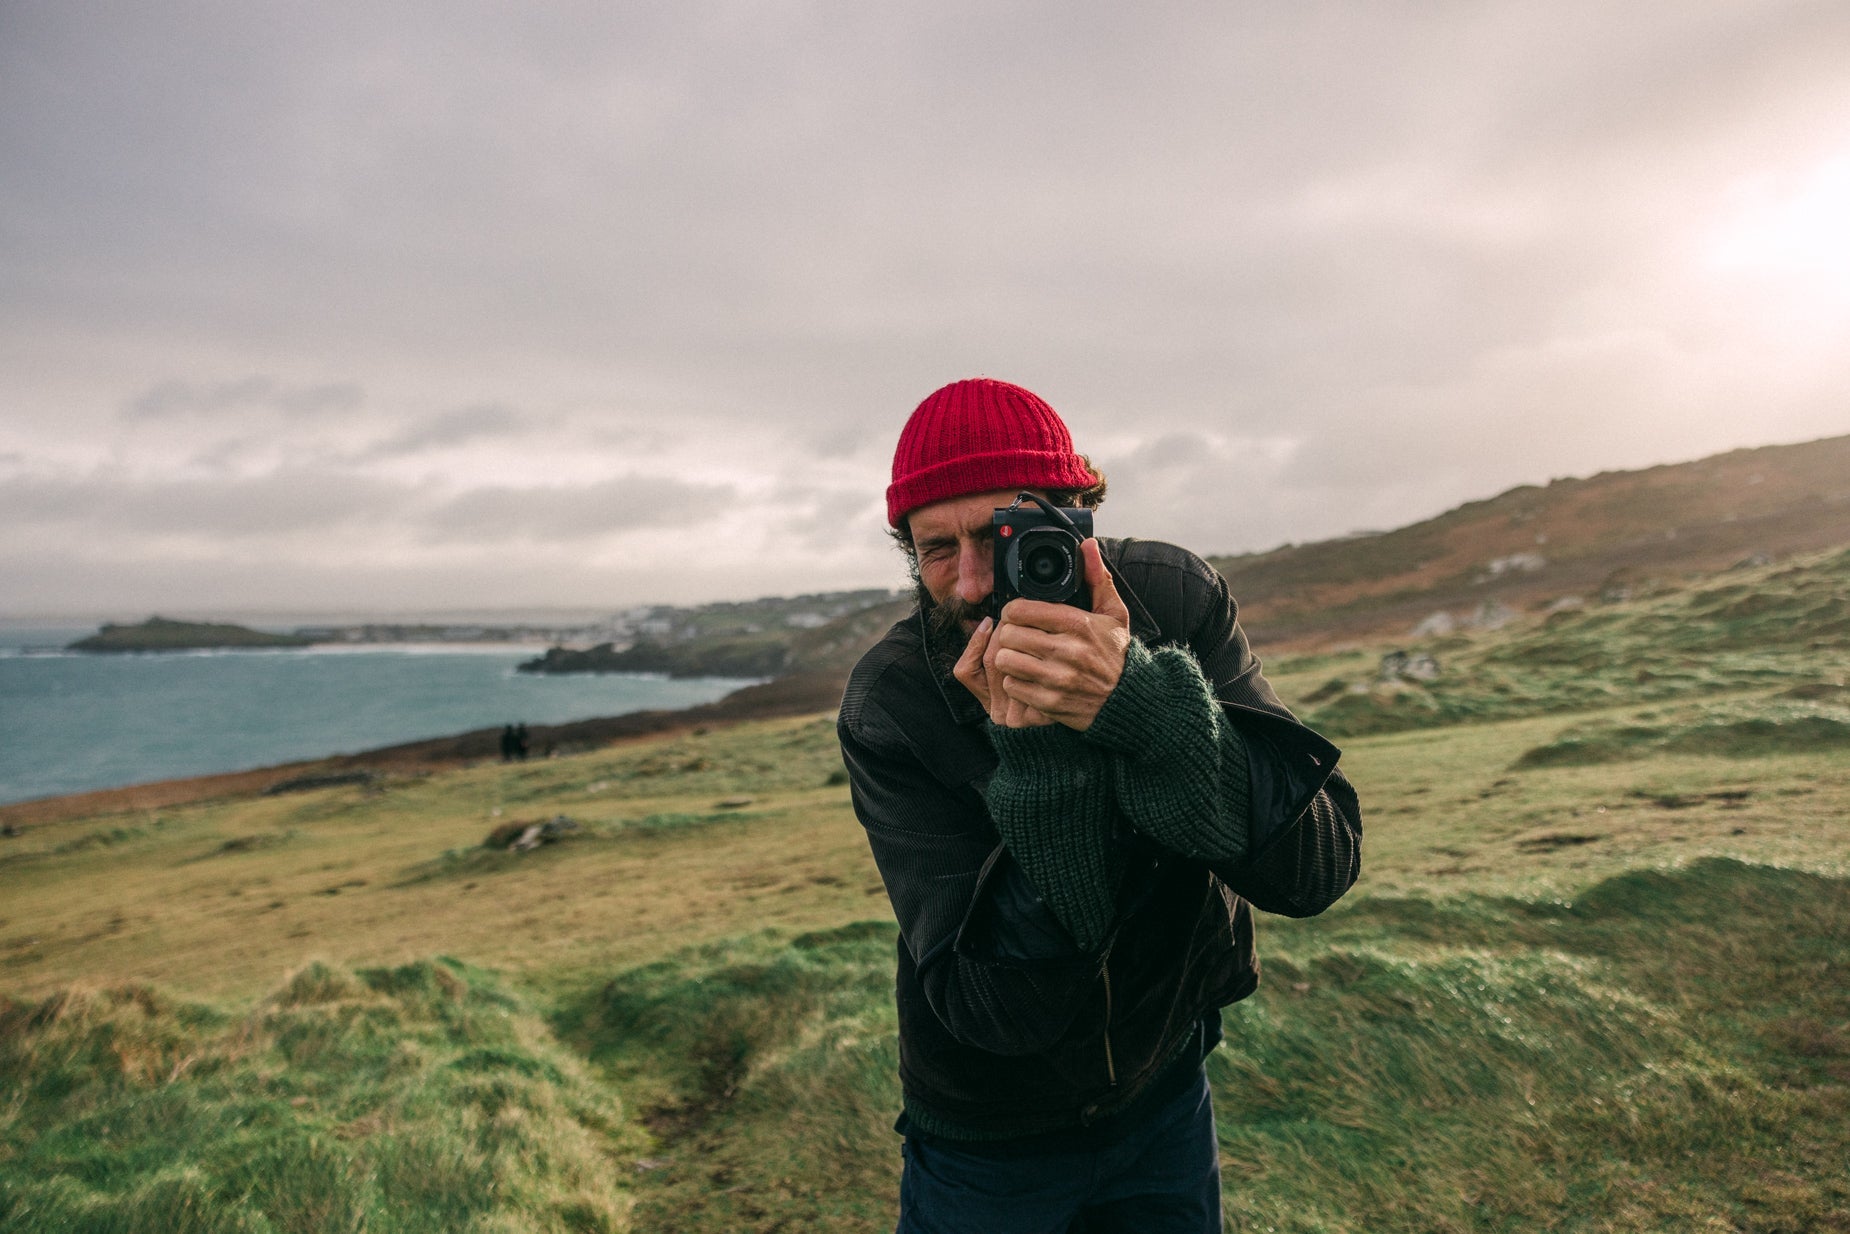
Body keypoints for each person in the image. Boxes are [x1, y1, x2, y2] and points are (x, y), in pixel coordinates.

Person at [838, 377, 1363, 1233]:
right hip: (988, 1135)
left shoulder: (1174, 600)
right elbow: (994, 1011)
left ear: (1078, 519)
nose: (973, 584)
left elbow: (1317, 866)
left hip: (1165, 1087)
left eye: (1004, 536)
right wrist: (1045, 772)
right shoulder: (895, 703)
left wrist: (1153, 713)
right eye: (936, 549)